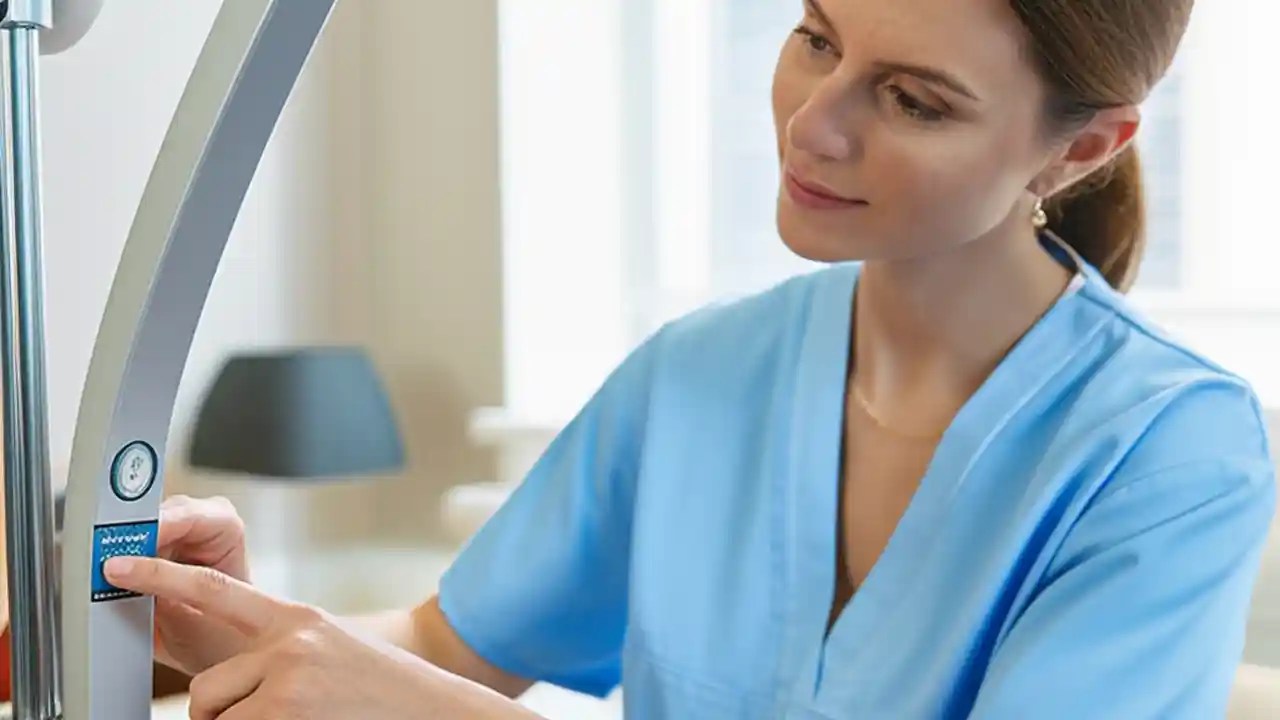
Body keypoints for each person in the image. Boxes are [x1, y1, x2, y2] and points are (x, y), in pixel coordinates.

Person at [101, 0, 1276, 717]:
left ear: (1080, 148)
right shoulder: (700, 375)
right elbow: (449, 647)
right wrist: (244, 627)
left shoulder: (1171, 449)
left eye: (913, 100)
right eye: (815, 37)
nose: (810, 123)